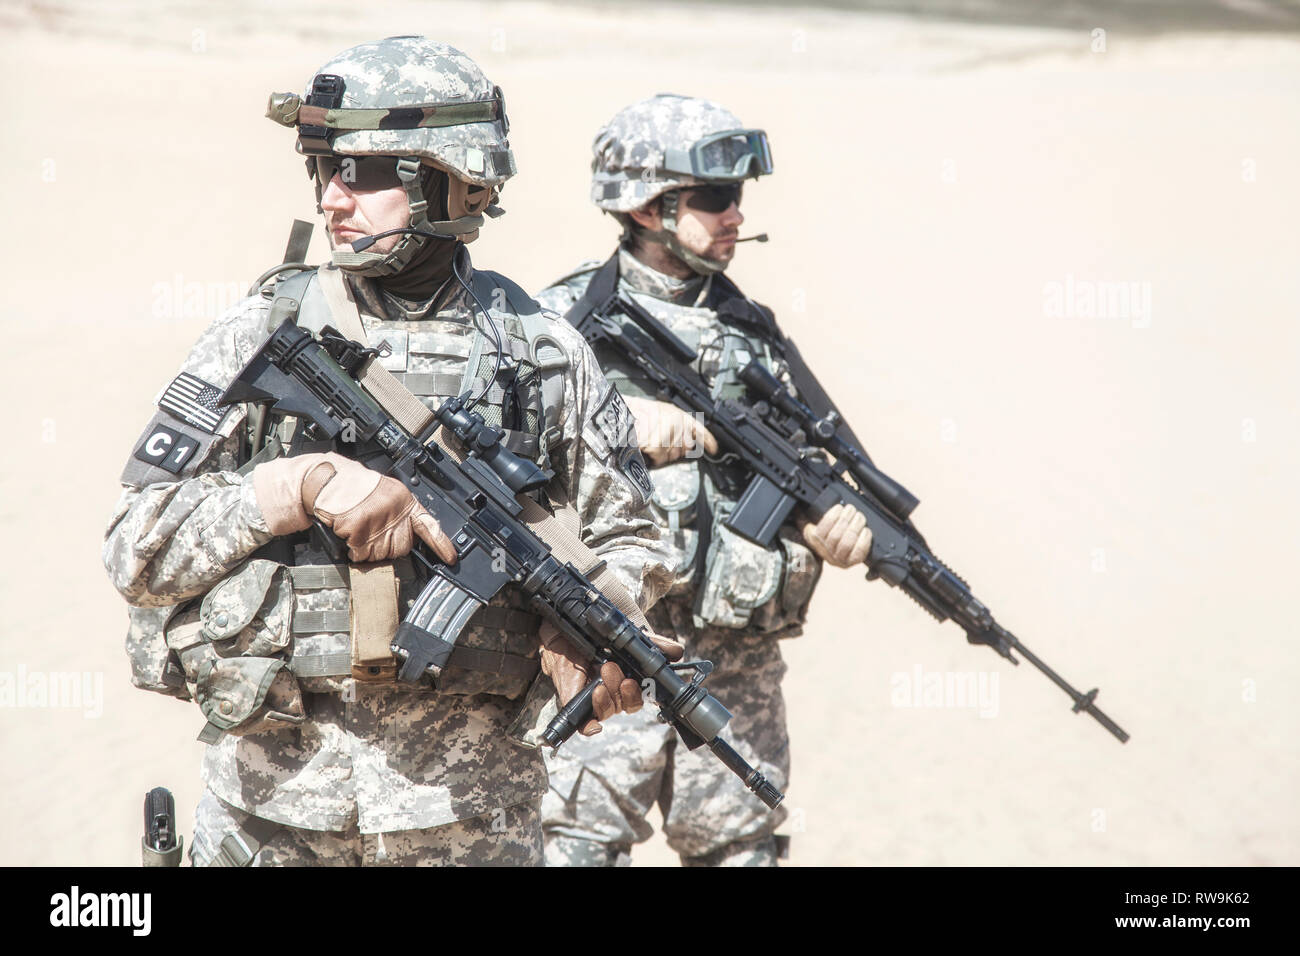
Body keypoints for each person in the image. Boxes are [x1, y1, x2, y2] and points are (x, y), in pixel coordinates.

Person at [102, 37, 673, 867]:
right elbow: (134, 546)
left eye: (366, 173)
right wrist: (295, 484)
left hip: (470, 824)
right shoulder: (259, 336)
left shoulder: (545, 356)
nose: (335, 198)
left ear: (458, 178)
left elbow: (636, 540)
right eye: (325, 169)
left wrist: (594, 614)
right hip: (268, 816)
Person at [534, 94, 872, 867]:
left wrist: (827, 525)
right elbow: (495, 456)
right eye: (716, 197)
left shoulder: (751, 331)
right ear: (652, 206)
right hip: (609, 645)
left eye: (738, 198)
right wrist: (618, 423)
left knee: (740, 846)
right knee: (575, 845)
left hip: (734, 659)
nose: (734, 216)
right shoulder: (560, 322)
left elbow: (795, 460)